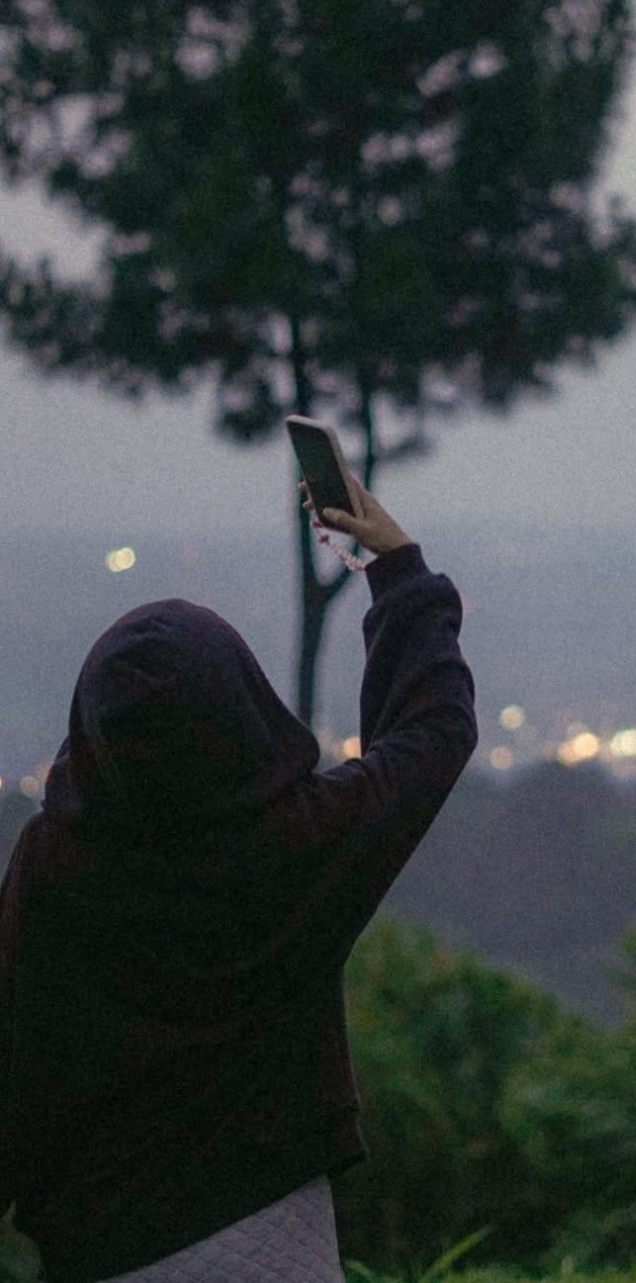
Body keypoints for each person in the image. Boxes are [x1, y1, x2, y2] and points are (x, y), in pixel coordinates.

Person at [0, 478, 477, 1282]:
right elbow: (431, 732)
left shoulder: (53, 866)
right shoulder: (297, 848)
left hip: (98, 1242)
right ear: (242, 707)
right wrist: (396, 570)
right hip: (270, 1233)